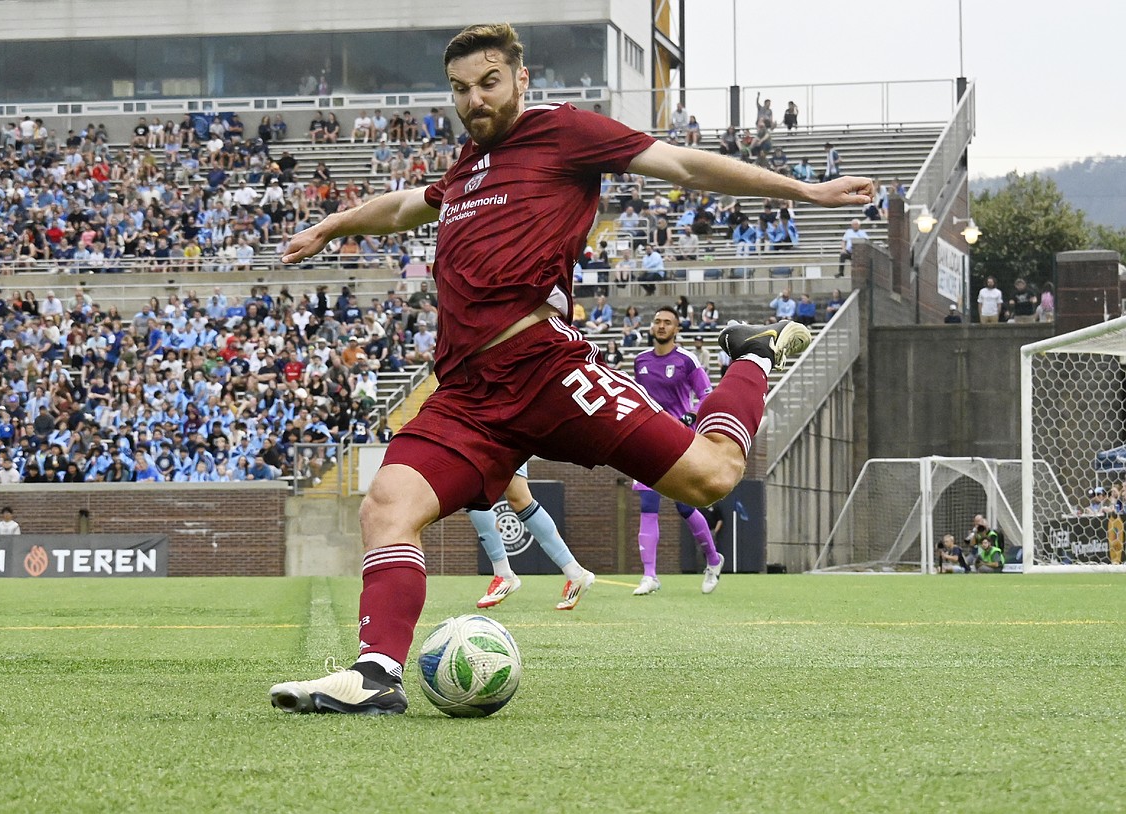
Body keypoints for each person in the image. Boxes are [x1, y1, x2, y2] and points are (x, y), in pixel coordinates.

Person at [268, 22, 872, 716]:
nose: (475, 99)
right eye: (461, 89)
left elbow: (681, 166)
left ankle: (752, 357)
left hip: (549, 371)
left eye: (489, 82)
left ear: (521, 80)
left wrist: (805, 190)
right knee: (387, 508)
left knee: (712, 479)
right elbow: (407, 206)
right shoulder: (467, 168)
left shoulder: (567, 133)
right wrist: (334, 225)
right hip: (467, 395)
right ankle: (377, 674)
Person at [630, 306, 724, 596]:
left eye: (667, 322)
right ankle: (650, 576)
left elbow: (706, 395)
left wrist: (692, 415)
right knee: (648, 505)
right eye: (657, 321)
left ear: (676, 329)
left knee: (685, 506)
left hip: (681, 441)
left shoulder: (687, 360)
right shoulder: (640, 361)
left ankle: (713, 559)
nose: (661, 326)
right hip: (649, 441)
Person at [471, 464, 595, 610]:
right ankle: (574, 572)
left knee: (476, 493)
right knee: (517, 497)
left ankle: (504, 575)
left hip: (495, 441)